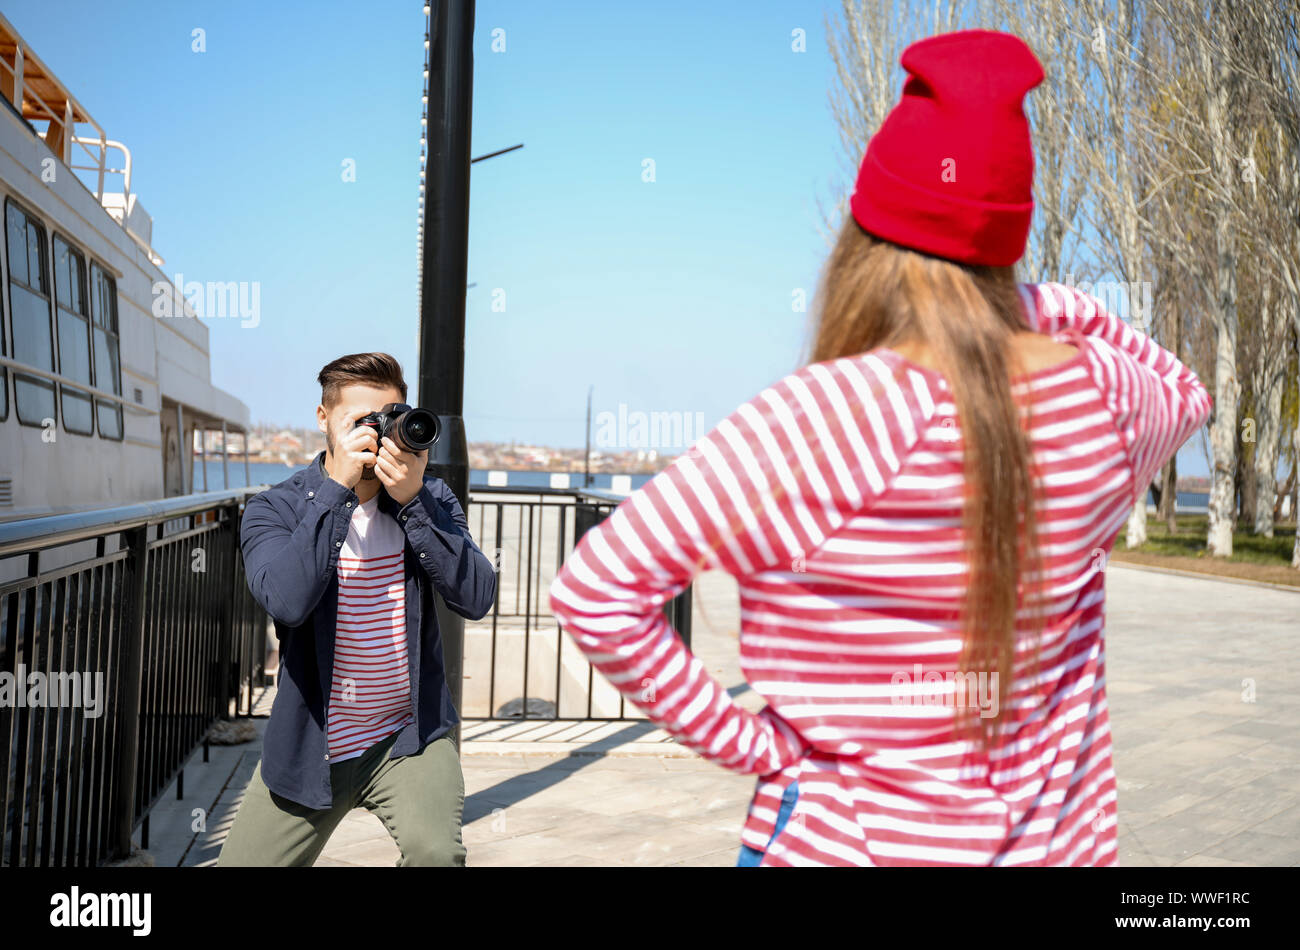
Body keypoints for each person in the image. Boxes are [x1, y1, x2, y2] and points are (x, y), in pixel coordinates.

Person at [547, 29, 1212, 866]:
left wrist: (760, 750)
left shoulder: (825, 418)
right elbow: (1189, 392)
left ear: (863, 239)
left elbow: (597, 591)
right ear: (1008, 247)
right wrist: (1032, 303)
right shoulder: (1103, 400)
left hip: (843, 844)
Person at [218, 352, 497, 866]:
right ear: (323, 420)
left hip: (406, 738)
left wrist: (413, 502)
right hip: (310, 745)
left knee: (435, 853)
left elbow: (477, 597)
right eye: (360, 423)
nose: (377, 435)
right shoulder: (274, 508)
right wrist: (336, 492)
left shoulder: (428, 497)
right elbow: (287, 601)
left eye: (387, 418)